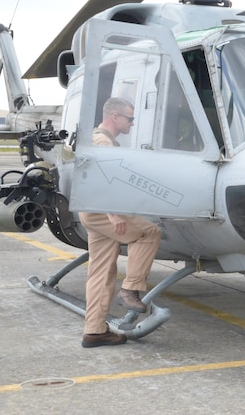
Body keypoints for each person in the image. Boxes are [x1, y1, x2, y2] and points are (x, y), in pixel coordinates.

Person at [79, 97, 162, 348]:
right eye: (130, 118)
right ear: (114, 116)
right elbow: (99, 180)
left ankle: (94, 331)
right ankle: (131, 288)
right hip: (102, 212)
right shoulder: (102, 141)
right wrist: (113, 213)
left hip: (93, 212)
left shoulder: (101, 139)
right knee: (149, 232)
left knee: (101, 272)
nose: (133, 124)